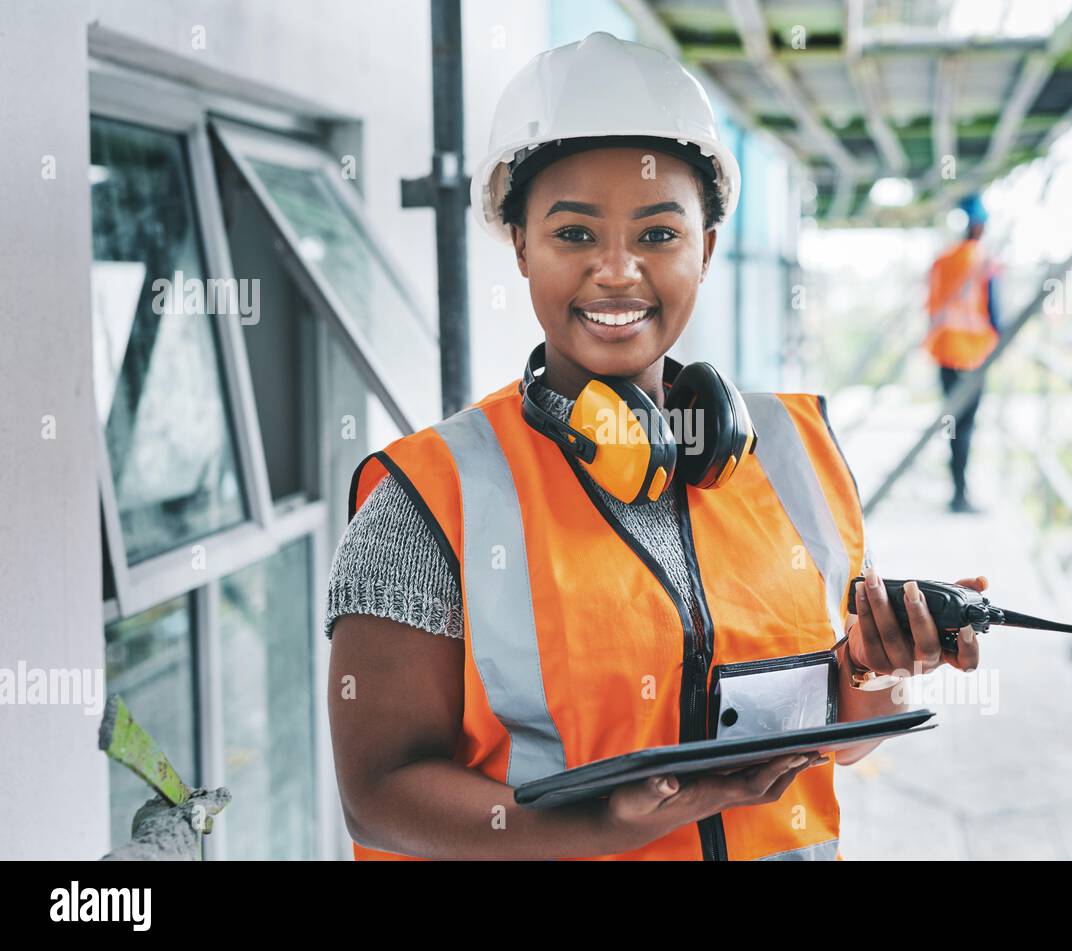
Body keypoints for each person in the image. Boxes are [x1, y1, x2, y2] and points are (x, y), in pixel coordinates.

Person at [324, 31, 986, 861]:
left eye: (658, 235)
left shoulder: (794, 453)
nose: (616, 272)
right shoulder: (429, 499)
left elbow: (842, 736)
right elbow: (378, 796)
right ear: (520, 244)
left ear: (705, 246)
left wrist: (874, 669)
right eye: (573, 234)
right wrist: (600, 827)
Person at [924, 193, 1001, 514]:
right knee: (965, 427)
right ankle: (960, 495)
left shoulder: (941, 260)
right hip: (971, 357)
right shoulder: (983, 262)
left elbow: (933, 304)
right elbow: (996, 315)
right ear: (979, 226)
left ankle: (957, 491)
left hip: (943, 353)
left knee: (952, 426)